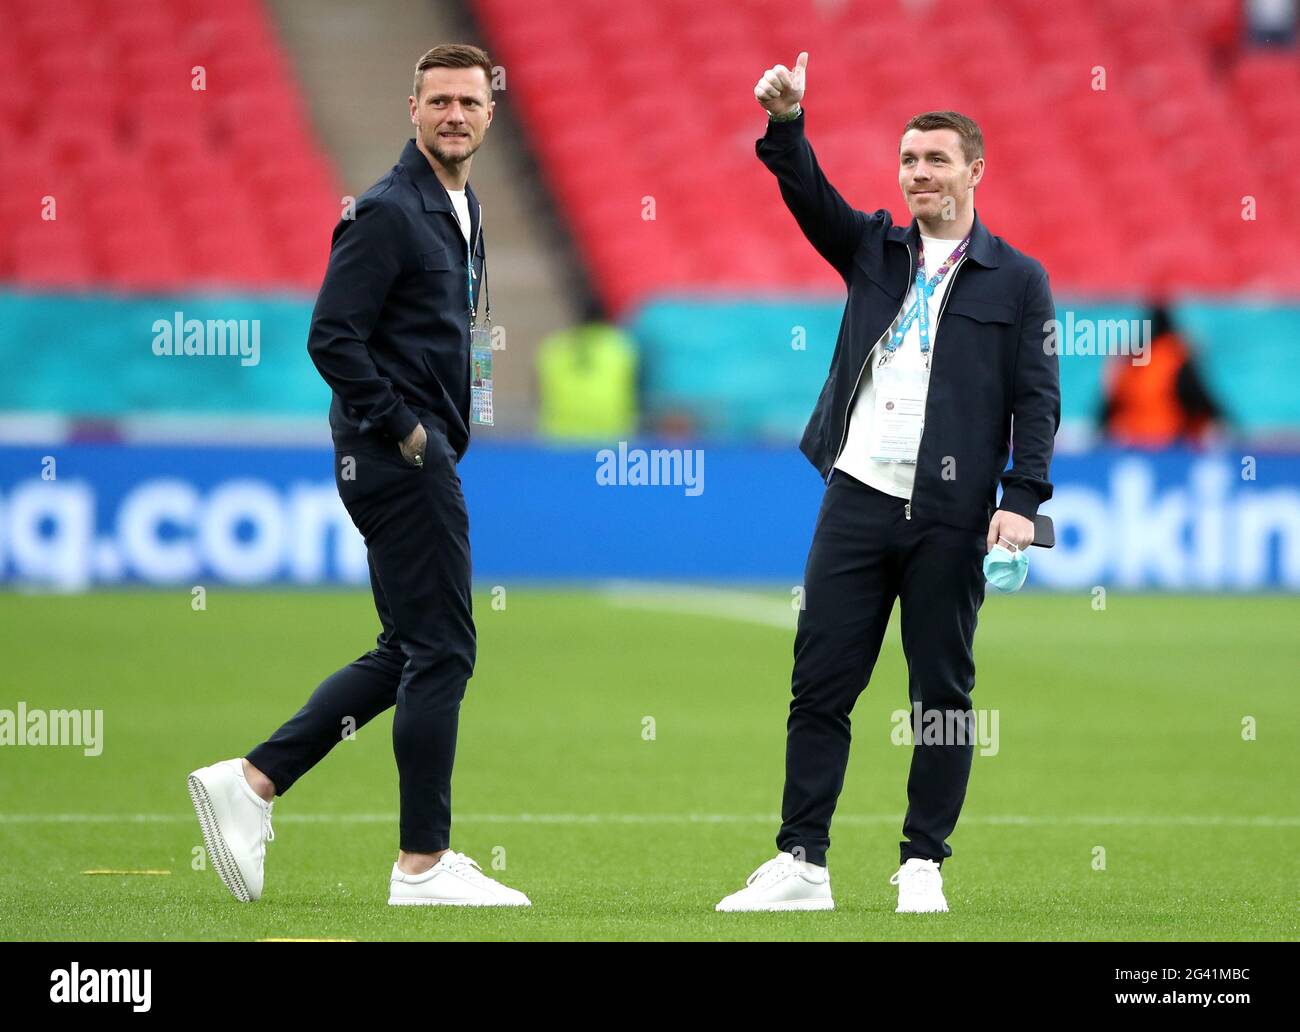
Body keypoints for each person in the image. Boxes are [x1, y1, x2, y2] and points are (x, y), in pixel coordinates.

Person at [187, 44, 530, 908]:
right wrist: (410, 430)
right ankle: (422, 863)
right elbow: (332, 335)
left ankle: (254, 781)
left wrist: (460, 421)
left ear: (491, 113)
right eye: (439, 101)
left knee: (409, 648)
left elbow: (457, 328)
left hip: (423, 449)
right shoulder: (387, 210)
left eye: (470, 102)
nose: (456, 114)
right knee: (445, 648)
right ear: (410, 109)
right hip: (394, 456)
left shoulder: (460, 205)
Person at [716, 53, 1059, 913]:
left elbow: (1037, 399)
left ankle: (922, 866)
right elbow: (807, 198)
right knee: (820, 680)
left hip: (953, 513)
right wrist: (788, 124)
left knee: (941, 693)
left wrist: (1021, 502)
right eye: (909, 160)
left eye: (937, 159)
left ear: (975, 171)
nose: (919, 174)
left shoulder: (1018, 280)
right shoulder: (873, 247)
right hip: (859, 495)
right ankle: (802, 862)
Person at [1098, 304, 1228, 447]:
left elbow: (1108, 407)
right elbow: (1196, 396)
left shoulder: (1127, 359)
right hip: (1167, 439)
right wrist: (1220, 419)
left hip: (1129, 439)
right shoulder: (1175, 355)